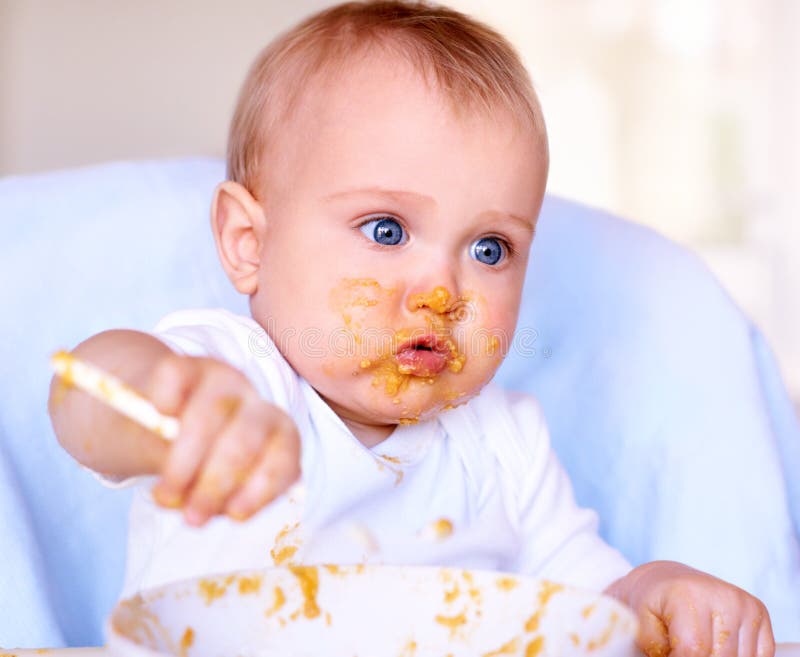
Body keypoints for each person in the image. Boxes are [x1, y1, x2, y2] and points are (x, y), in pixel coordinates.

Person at [48, 2, 774, 656]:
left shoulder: (504, 448)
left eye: (490, 248)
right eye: (387, 228)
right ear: (247, 242)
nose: (440, 292)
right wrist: (167, 409)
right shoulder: (235, 383)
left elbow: (591, 610)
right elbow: (86, 404)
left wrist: (657, 593)